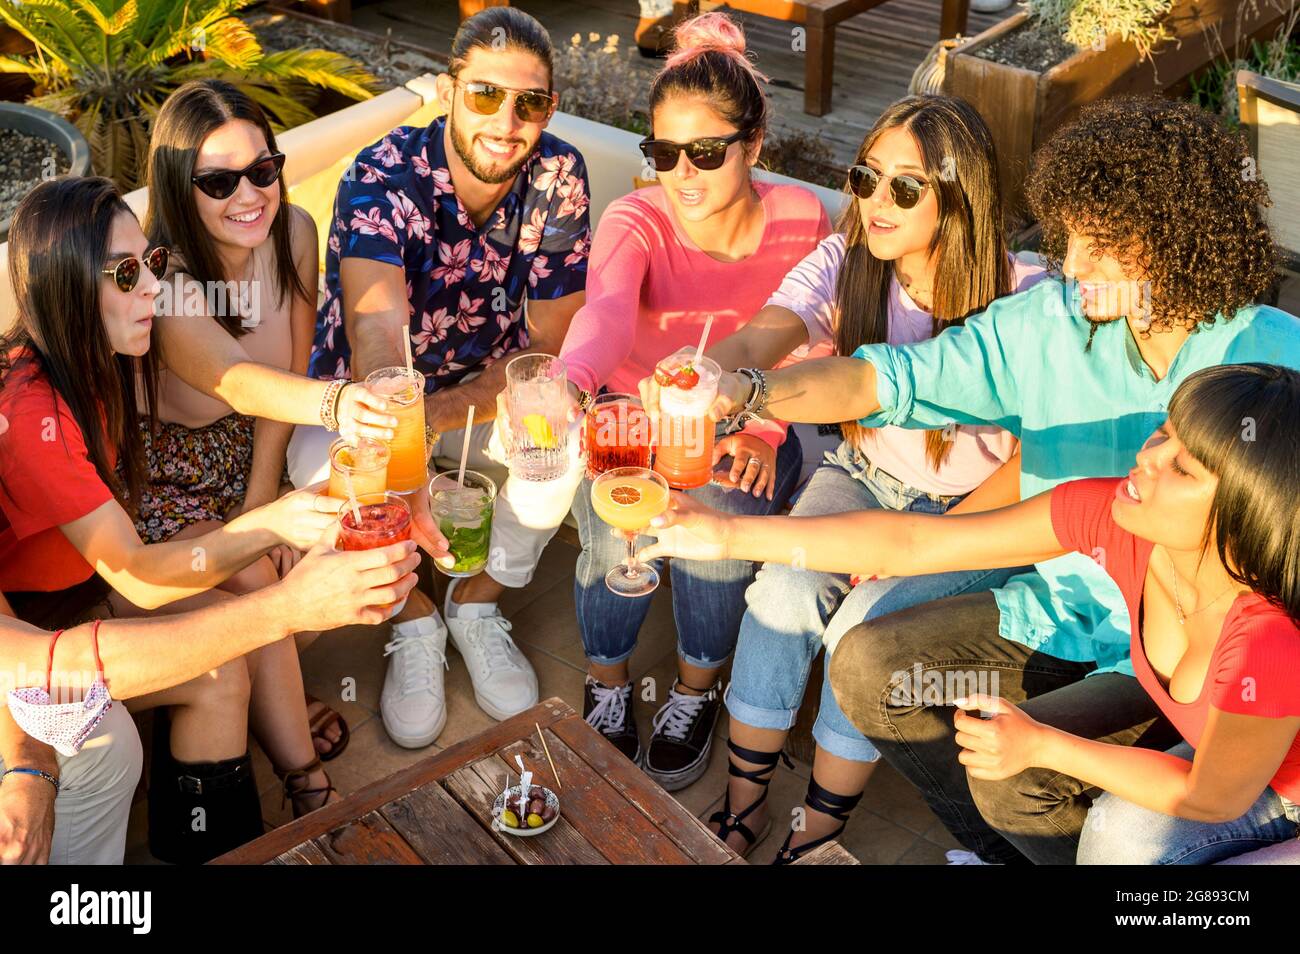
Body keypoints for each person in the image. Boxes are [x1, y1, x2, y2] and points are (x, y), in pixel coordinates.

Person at [641, 95, 1299, 862]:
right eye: (1071, 237)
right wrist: (748, 392)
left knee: (1105, 817)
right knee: (877, 668)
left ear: (1175, 239)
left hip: (1201, 655)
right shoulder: (1055, 337)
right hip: (1062, 603)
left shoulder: (1267, 361)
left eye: (1105, 245)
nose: (1073, 266)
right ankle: (1004, 848)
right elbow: (881, 389)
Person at [643, 364, 1300, 865]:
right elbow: (913, 543)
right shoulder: (1117, 517)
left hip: (1275, 797)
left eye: (1182, 467)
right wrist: (725, 538)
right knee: (1006, 775)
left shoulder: (1268, 640)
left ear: (1245, 508)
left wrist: (1041, 741)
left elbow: (1212, 796)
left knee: (1121, 831)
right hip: (1206, 737)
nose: (1146, 456)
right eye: (1164, 433)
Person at [0, 176, 439, 862]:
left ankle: (236, 832)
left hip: (78, 590)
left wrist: (280, 515)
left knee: (229, 646)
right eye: (124, 272)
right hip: (41, 622)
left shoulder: (90, 356)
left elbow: (230, 373)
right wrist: (274, 528)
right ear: (62, 285)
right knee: (225, 653)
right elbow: (141, 578)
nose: (152, 287)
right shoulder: (32, 415)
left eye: (152, 263)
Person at [673, 94, 1044, 861]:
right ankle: (745, 803)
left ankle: (817, 831)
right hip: (864, 473)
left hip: (972, 515)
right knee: (782, 590)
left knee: (860, 632)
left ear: (959, 195)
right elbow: (772, 328)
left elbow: (1034, 466)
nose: (875, 201)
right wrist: (718, 374)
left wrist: (923, 542)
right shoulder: (850, 261)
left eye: (904, 188)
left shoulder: (1027, 300)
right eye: (865, 177)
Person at [286, 7, 591, 747]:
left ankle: (476, 606)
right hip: (370, 399)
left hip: (487, 390)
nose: (507, 121)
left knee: (565, 446)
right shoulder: (382, 174)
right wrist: (407, 448)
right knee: (325, 474)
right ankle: (413, 618)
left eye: (531, 103)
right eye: (486, 95)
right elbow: (374, 332)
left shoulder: (558, 173)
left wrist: (459, 414)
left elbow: (553, 346)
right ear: (451, 89)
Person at [550, 11, 829, 791]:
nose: (683, 172)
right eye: (663, 151)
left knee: (722, 513)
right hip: (630, 415)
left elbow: (812, 344)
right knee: (614, 522)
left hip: (749, 416)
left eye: (706, 151)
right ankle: (607, 686)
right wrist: (568, 384)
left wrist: (763, 432)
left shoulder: (799, 218)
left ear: (755, 147)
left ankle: (692, 694)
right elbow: (602, 313)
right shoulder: (634, 219)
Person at [142, 78, 403, 761]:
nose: (249, 195)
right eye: (219, 182)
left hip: (249, 466)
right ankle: (304, 778)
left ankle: (269, 687)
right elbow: (239, 382)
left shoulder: (293, 231)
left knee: (352, 536)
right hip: (166, 490)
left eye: (263, 171)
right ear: (179, 186)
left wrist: (266, 505)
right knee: (263, 582)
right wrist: (339, 401)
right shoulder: (163, 282)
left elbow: (283, 381)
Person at [0, 540, 420, 865]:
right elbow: (56, 667)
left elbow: (26, 657)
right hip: (62, 622)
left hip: (60, 611)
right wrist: (288, 605)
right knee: (114, 737)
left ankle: (227, 846)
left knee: (221, 669)